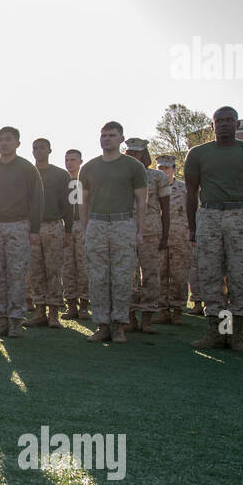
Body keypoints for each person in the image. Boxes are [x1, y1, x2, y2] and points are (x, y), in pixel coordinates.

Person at [184, 106, 243, 351]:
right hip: (209, 215)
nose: (223, 124)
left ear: (238, 124)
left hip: (240, 214)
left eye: (229, 120)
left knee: (240, 276)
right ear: (212, 125)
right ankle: (217, 332)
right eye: (218, 121)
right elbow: (191, 193)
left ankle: (236, 334)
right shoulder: (198, 153)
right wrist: (192, 227)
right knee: (210, 275)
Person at [79, 121, 148, 343]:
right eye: (103, 135)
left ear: (121, 139)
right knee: (98, 277)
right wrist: (85, 227)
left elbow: (142, 201)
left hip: (123, 224)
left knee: (122, 277)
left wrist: (139, 231)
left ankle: (119, 325)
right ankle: (102, 325)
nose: (107, 138)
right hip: (97, 224)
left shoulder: (134, 167)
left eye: (112, 135)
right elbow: (83, 201)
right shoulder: (88, 167)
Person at [0, 128, 43, 338]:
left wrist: (34, 230)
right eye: (0, 140)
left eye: (8, 140)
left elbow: (37, 200)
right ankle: (1, 320)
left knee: (17, 275)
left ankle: (16, 321)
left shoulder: (27, 168)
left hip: (18, 225)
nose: (3, 144)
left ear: (17, 143)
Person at [125, 139, 169, 334]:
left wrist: (165, 235)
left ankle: (148, 318)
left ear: (145, 155)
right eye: (130, 153)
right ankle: (130, 316)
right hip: (125, 231)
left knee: (151, 274)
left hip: (151, 231)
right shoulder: (120, 176)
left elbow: (165, 208)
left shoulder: (158, 176)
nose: (133, 157)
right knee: (127, 276)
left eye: (137, 153)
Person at [28, 139, 73, 328]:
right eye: (35, 148)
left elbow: (68, 205)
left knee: (53, 270)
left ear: (50, 150)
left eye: (42, 148)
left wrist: (68, 231)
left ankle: (54, 313)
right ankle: (39, 312)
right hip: (31, 228)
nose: (39, 151)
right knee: (35, 271)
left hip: (54, 226)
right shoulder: (27, 173)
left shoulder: (61, 175)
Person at [154, 155, 190, 324]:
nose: (164, 171)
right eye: (160, 168)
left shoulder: (184, 189)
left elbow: (193, 211)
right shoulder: (152, 189)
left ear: (174, 169)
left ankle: (178, 310)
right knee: (160, 274)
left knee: (179, 274)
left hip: (179, 237)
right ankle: (162, 310)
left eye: (167, 168)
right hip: (158, 236)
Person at [61, 149, 90, 321]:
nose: (69, 163)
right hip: (66, 226)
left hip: (82, 225)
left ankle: (85, 305)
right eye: (66, 159)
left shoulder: (86, 181)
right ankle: (71, 304)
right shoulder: (63, 181)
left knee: (83, 266)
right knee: (67, 268)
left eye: (73, 159)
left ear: (80, 161)